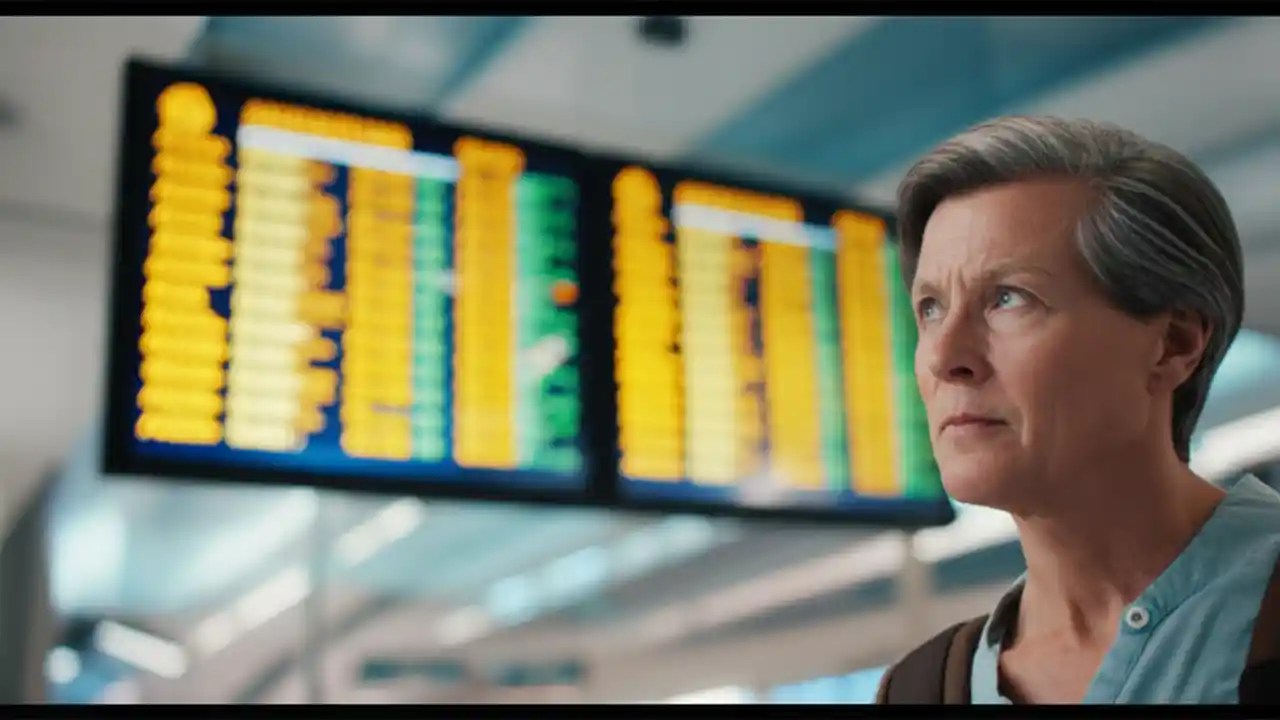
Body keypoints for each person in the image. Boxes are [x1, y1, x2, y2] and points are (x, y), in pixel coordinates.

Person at [875, 115, 1280, 704]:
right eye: (931, 308)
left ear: (1173, 345)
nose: (943, 357)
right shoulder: (922, 690)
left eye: (1009, 298)